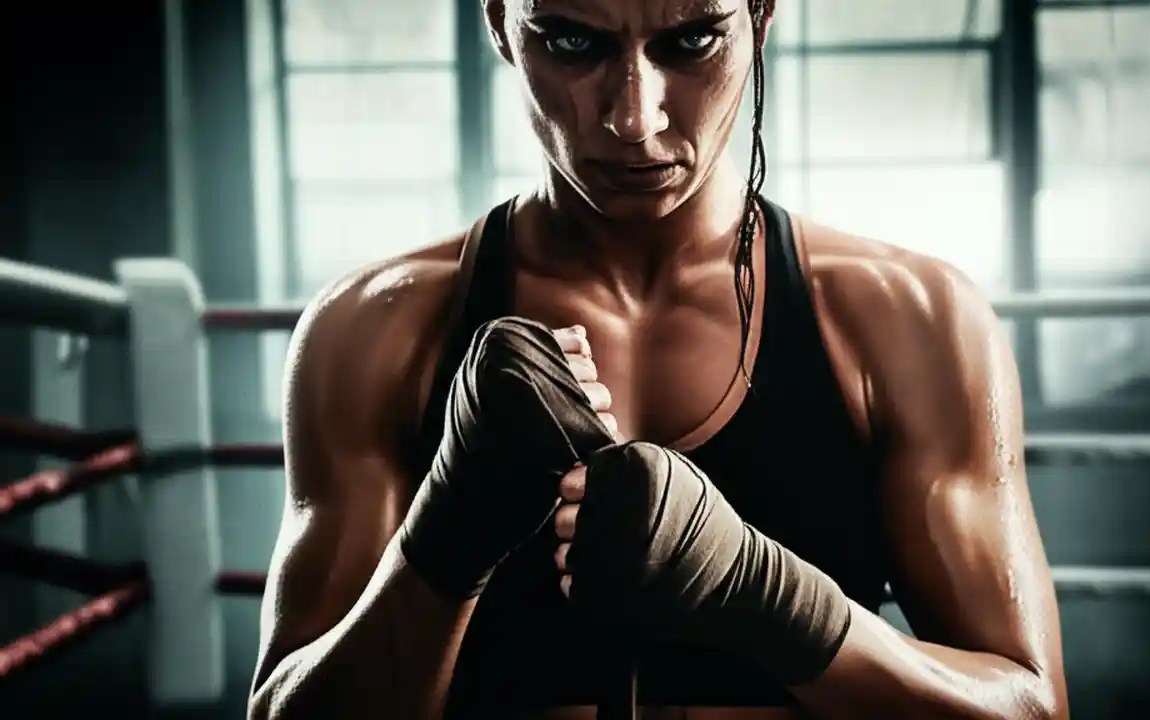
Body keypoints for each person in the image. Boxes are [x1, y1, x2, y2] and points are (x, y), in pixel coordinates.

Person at [248, 0, 1069, 717]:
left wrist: (764, 596)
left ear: (761, 14)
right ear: (501, 21)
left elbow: (1028, 710)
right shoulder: (376, 332)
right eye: (573, 44)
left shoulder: (908, 321)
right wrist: (446, 541)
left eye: (692, 41)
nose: (633, 119)